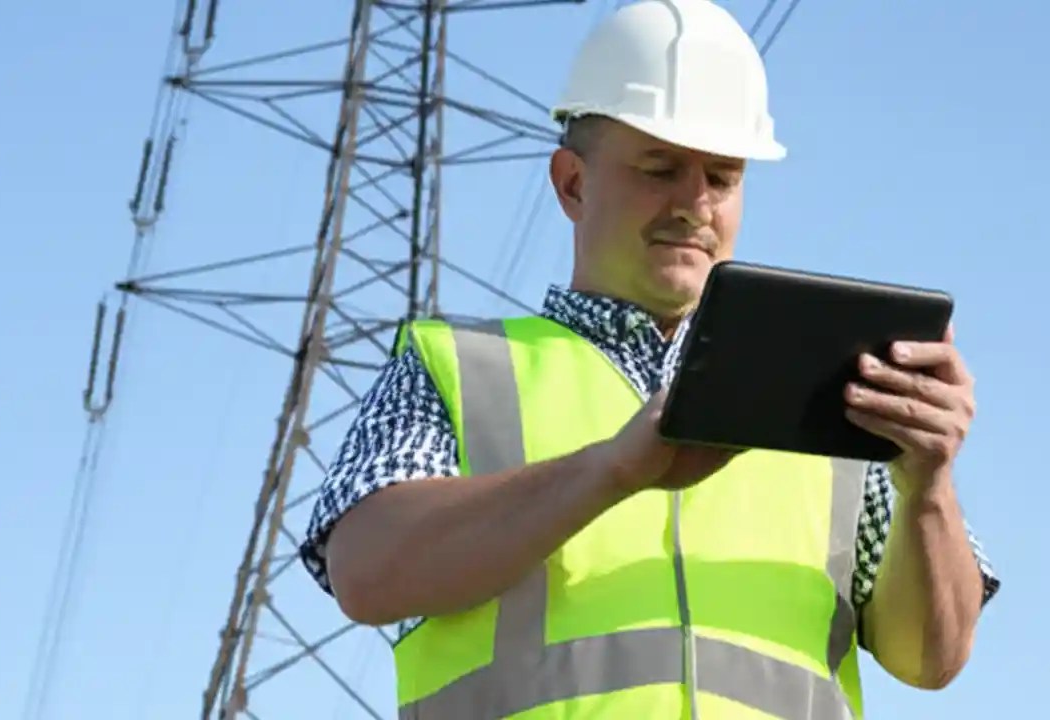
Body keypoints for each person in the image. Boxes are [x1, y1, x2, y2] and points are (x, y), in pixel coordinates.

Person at [300, 1, 1000, 717]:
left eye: (723, 177)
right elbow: (367, 572)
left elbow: (932, 658)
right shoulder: (458, 369)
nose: (695, 202)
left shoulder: (828, 391)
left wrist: (928, 486)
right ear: (573, 183)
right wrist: (611, 470)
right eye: (660, 168)